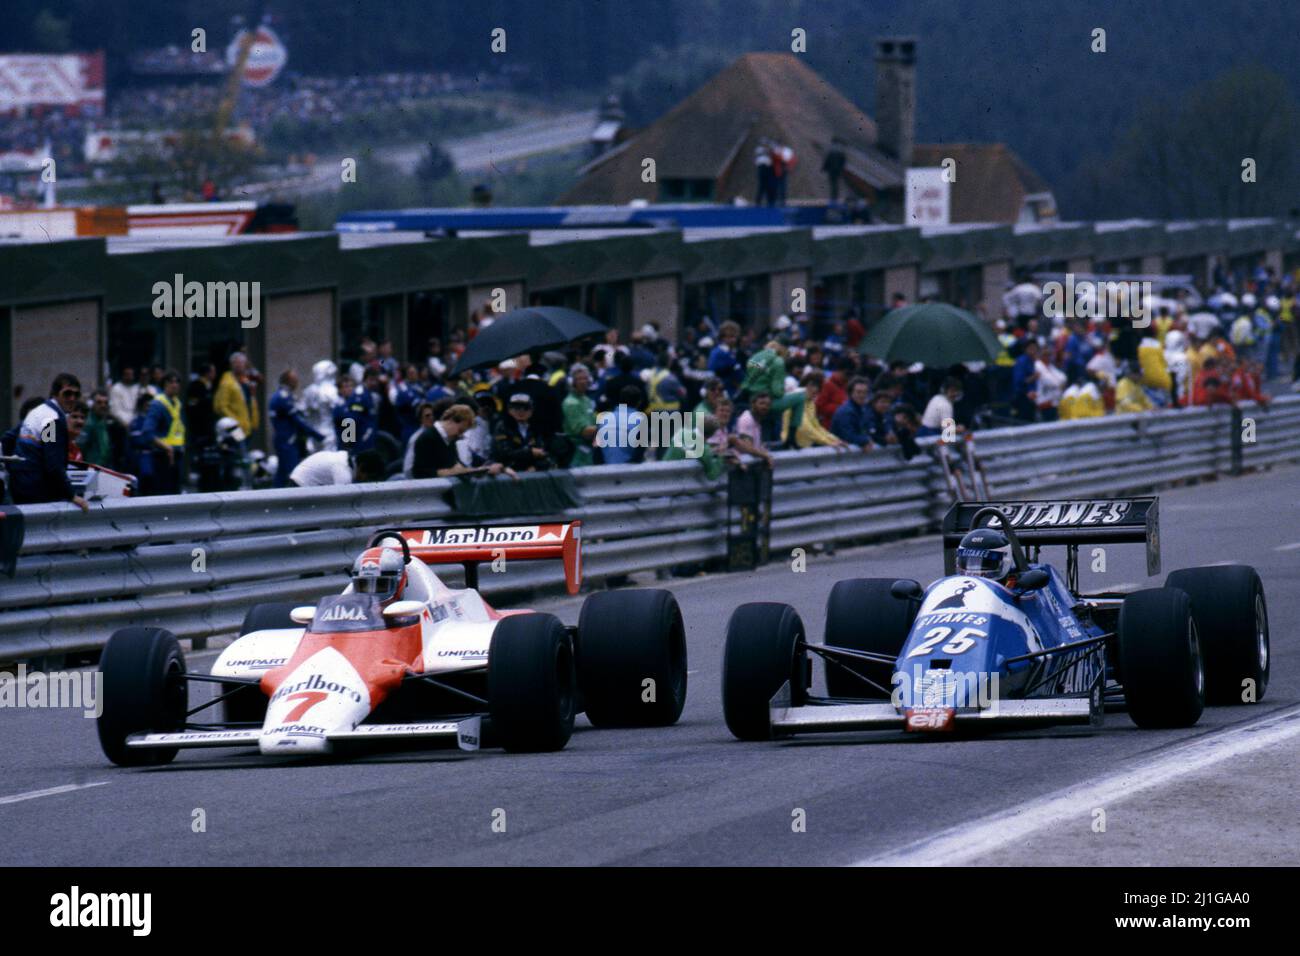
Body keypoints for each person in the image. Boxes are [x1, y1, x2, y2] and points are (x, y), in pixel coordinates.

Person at [8, 373, 88, 510]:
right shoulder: (51, 420)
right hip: (35, 491)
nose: (72, 398)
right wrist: (71, 495)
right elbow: (53, 461)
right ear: (55, 394)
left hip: (20, 485)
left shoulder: (38, 411)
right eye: (67, 394)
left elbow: (8, 439)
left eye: (76, 394)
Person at [414, 404, 510, 479]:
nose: (460, 436)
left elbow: (457, 466)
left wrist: (483, 469)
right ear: (451, 420)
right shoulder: (427, 438)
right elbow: (420, 472)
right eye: (460, 430)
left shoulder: (450, 441)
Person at [269, 369, 325, 487]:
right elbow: (297, 420)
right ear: (289, 382)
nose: (297, 384)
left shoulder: (283, 395)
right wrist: (317, 435)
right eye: (295, 381)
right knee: (294, 472)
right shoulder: (283, 397)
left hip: (286, 439)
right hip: (287, 440)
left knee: (282, 472)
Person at [143, 370, 186, 495]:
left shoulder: (177, 403)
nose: (174, 385)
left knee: (175, 493)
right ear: (164, 384)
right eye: (171, 382)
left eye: (177, 382)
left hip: (177, 454)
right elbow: (147, 432)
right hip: (163, 456)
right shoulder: (158, 404)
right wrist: (166, 447)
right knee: (164, 493)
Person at [493, 393, 554, 471]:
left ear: (531, 411)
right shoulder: (502, 426)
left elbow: (544, 454)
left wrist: (536, 467)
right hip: (508, 471)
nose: (521, 411)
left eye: (525, 408)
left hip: (531, 473)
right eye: (516, 407)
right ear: (509, 410)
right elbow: (503, 454)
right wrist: (530, 452)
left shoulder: (535, 428)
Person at [214, 352, 259, 440]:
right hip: (235, 428)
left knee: (245, 449)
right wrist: (235, 422)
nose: (239, 365)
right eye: (236, 363)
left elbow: (250, 401)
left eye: (242, 363)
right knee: (241, 450)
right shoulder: (226, 383)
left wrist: (254, 421)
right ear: (231, 365)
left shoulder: (246, 381)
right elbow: (221, 406)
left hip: (249, 426)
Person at [562, 364, 599, 467]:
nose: (583, 381)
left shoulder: (587, 400)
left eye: (585, 378)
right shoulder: (571, 403)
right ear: (572, 382)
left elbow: (594, 422)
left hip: (589, 451)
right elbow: (585, 432)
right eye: (579, 379)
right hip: (576, 454)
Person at [288, 449, 386, 487]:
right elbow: (341, 506)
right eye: (367, 476)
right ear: (362, 467)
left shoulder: (344, 457)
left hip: (299, 481)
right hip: (300, 485)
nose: (365, 480)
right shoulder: (343, 473)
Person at [333, 374, 377, 453]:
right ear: (340, 390)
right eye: (346, 386)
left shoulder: (358, 401)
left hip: (362, 439)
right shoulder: (338, 406)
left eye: (351, 386)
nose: (349, 389)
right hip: (346, 444)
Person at [302, 360, 340, 452]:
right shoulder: (331, 391)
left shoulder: (309, 390)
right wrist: (349, 437)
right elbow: (340, 414)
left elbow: (304, 412)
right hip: (328, 432)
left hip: (314, 432)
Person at [830, 378, 875, 449]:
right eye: (858, 392)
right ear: (850, 393)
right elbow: (848, 436)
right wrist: (865, 440)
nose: (862, 395)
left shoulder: (864, 409)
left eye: (865, 392)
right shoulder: (845, 411)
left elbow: (869, 428)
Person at [80, 389, 115, 467]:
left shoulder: (104, 422)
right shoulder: (87, 424)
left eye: (105, 403)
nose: (103, 405)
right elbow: (81, 449)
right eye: (99, 402)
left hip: (103, 469)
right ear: (91, 404)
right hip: (91, 469)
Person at [822, 137, 847, 202]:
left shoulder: (832, 150)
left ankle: (834, 197)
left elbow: (828, 160)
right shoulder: (841, 151)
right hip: (837, 170)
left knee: (833, 183)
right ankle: (835, 196)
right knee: (835, 183)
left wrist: (824, 168)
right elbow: (843, 161)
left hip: (832, 170)